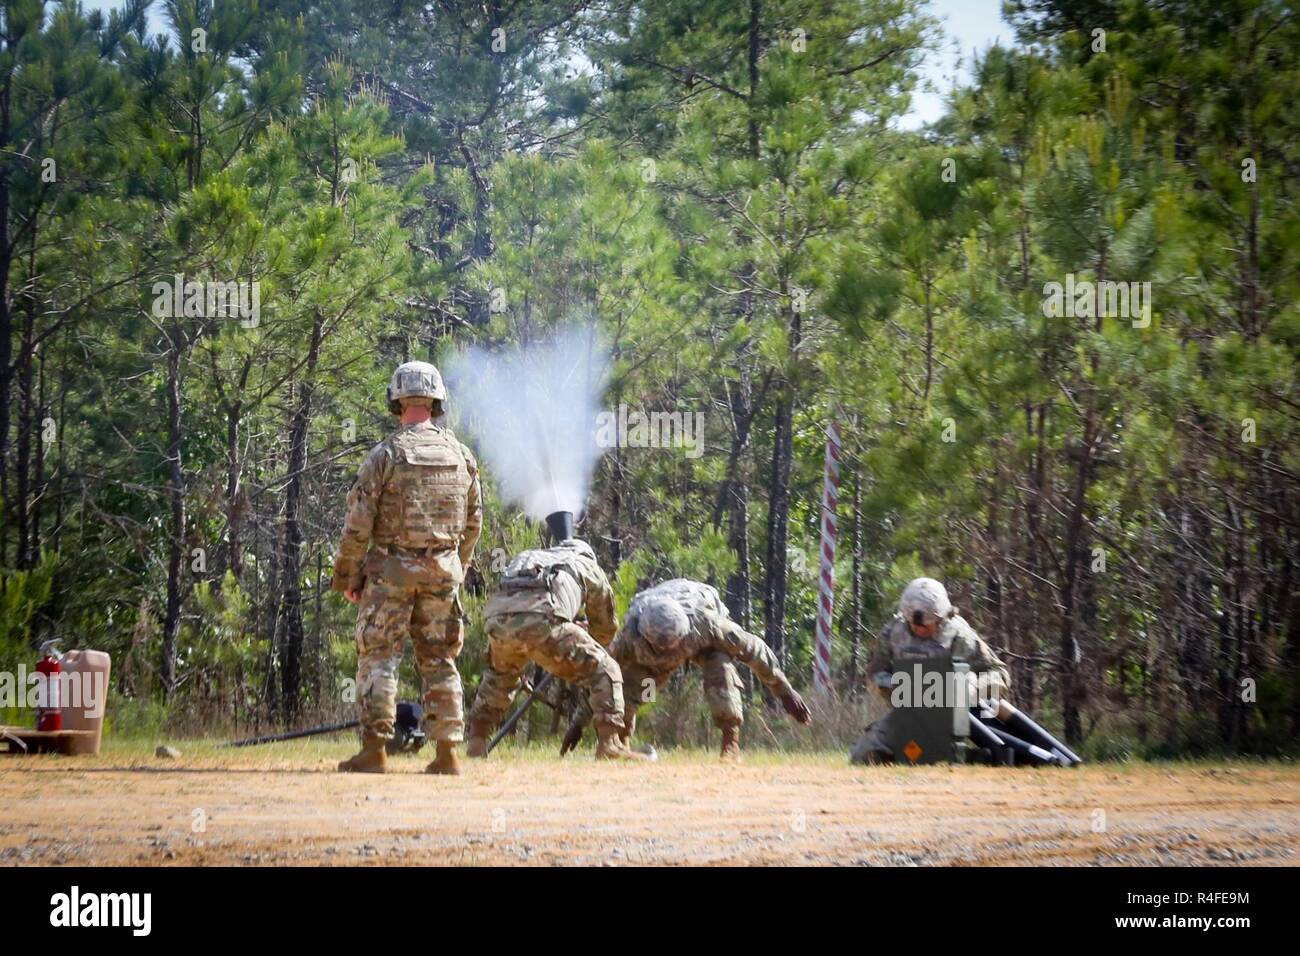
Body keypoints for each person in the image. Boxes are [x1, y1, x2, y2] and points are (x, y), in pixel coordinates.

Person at [331, 360, 481, 775]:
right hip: (443, 574)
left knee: (379, 657)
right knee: (440, 660)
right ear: (437, 401)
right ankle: (448, 753)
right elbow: (473, 524)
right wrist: (455, 569)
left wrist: (349, 576)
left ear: (396, 401)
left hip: (390, 575)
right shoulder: (462, 457)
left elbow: (358, 523)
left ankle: (375, 750)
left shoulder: (386, 455)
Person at [563, 578, 811, 760]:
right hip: (648, 667)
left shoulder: (707, 624)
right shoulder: (628, 638)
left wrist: (784, 691)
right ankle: (622, 743)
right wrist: (578, 723)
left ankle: (730, 744)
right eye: (662, 647)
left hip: (701, 644)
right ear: (646, 636)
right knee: (626, 683)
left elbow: (754, 650)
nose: (669, 651)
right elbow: (603, 679)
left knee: (720, 668)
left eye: (673, 645)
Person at [465, 533, 647, 761]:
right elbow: (605, 628)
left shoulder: (528, 557)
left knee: (498, 679)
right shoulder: (586, 564)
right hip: (544, 622)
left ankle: (476, 743)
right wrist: (585, 640)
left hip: (498, 622)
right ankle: (610, 743)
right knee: (607, 669)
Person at [849, 577, 1009, 765]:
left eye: (925, 624)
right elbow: (874, 673)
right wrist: (895, 686)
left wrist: (970, 689)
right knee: (863, 754)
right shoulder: (894, 631)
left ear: (941, 617)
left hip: (949, 716)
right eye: (912, 623)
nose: (918, 627)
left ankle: (965, 756)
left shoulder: (959, 635)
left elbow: (1000, 675)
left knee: (922, 754)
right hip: (908, 713)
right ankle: (916, 754)